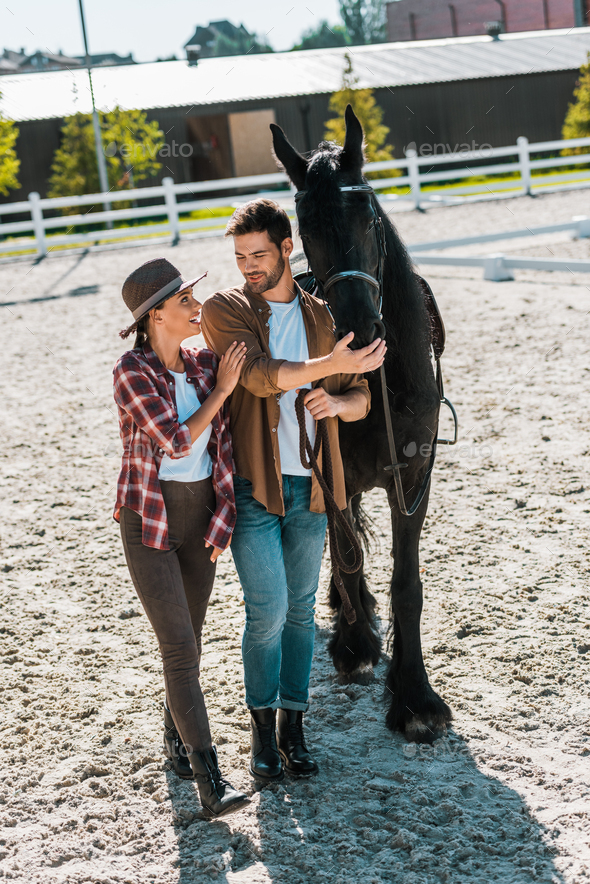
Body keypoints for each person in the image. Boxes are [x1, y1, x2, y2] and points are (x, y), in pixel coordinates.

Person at [201, 200, 386, 782]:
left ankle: (293, 729)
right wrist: (329, 364)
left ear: (287, 249)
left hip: (312, 488)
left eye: (259, 254)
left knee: (302, 613)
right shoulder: (225, 308)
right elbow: (258, 377)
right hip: (254, 487)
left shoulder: (324, 317)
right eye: (240, 257)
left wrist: (337, 398)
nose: (249, 266)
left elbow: (362, 397)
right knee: (269, 610)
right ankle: (260, 732)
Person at [113, 257, 249, 819]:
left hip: (199, 518)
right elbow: (173, 440)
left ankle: (174, 742)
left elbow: (222, 445)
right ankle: (208, 779)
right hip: (148, 519)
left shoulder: (200, 364)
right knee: (179, 649)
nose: (199, 307)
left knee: (188, 643)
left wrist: (223, 519)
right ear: (157, 315)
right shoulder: (131, 371)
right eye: (187, 301)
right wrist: (222, 392)